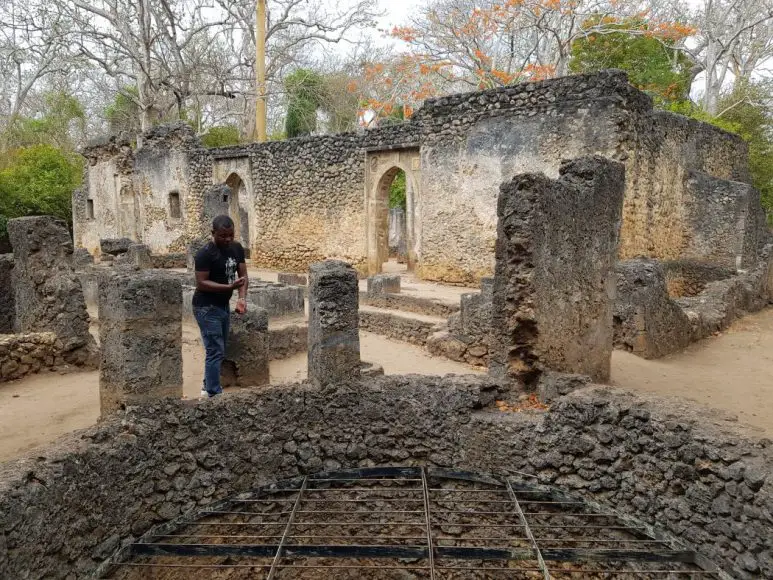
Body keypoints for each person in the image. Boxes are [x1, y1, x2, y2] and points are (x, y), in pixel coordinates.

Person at [192, 215, 248, 398]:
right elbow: (201, 283)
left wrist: (242, 297)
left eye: (231, 235)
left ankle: (207, 386)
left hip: (222, 305)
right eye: (223, 236)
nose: (228, 239)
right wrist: (229, 287)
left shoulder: (237, 249)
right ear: (213, 233)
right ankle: (214, 394)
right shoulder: (205, 254)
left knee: (219, 349)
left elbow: (243, 276)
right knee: (215, 350)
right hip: (206, 307)